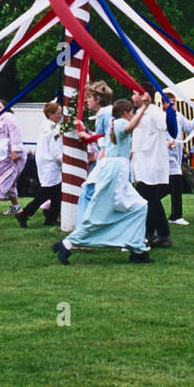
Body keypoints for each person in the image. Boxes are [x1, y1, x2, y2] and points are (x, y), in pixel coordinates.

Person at [52, 99, 152, 265]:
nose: (133, 114)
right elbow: (130, 126)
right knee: (99, 214)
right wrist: (144, 108)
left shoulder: (115, 124)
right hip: (115, 174)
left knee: (140, 206)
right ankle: (66, 244)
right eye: (132, 112)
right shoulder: (120, 122)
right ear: (125, 112)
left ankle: (137, 249)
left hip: (117, 172)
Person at [129, 88, 172, 247]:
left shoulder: (155, 112)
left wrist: (152, 106)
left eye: (135, 93)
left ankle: (151, 233)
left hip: (151, 162)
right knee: (151, 199)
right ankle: (161, 233)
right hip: (141, 162)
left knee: (148, 199)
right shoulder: (140, 112)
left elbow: (164, 124)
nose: (133, 97)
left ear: (144, 95)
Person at [15, 101, 63, 228]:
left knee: (56, 193)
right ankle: (24, 214)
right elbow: (56, 151)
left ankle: (51, 218)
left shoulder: (45, 124)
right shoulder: (53, 129)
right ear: (50, 114)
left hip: (45, 163)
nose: (61, 116)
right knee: (46, 193)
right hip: (50, 164)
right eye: (58, 113)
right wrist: (62, 163)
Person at [164, 89, 194, 225]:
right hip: (166, 156)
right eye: (170, 103)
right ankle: (176, 215)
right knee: (173, 185)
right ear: (164, 104)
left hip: (177, 157)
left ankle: (174, 214)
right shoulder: (161, 117)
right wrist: (166, 144)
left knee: (170, 186)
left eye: (174, 103)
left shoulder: (178, 116)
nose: (173, 106)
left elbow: (189, 127)